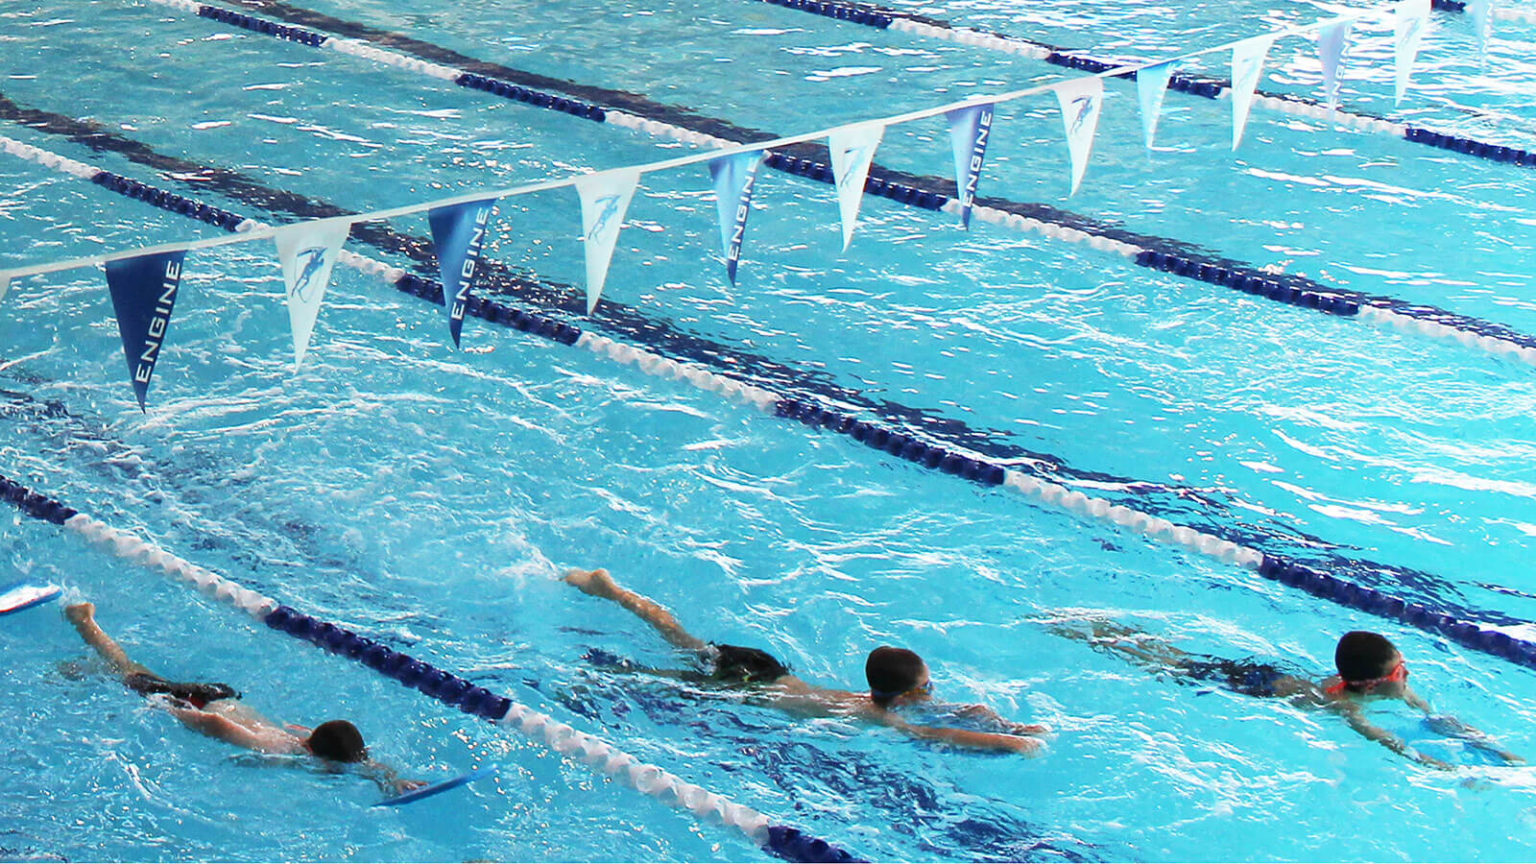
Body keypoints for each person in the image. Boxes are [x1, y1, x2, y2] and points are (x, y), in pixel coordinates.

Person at [562, 568, 1047, 755]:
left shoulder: (875, 700)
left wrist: (1009, 723)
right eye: (929, 687)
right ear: (906, 697)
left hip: (766, 667)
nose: (934, 693)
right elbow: (936, 735)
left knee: (682, 639)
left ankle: (615, 592)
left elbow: (953, 714)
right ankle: (598, 671)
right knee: (659, 677)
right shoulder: (880, 716)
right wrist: (1008, 743)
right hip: (747, 685)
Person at [1050, 618, 1521, 770]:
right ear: (1373, 683)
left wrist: (1497, 751)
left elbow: (1439, 719)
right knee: (1174, 664)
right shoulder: (1343, 703)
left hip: (1276, 675)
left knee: (1178, 659)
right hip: (1255, 687)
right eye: (1401, 669)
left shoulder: (1394, 686)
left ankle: (1110, 634)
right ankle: (1097, 635)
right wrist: (1429, 763)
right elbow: (1383, 738)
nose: (1408, 672)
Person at [65, 602, 421, 793]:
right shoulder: (277, 747)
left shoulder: (308, 743)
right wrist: (168, 709)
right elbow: (215, 724)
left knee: (142, 674)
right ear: (316, 754)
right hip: (202, 704)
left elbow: (361, 763)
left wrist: (391, 780)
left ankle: (87, 667)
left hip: (223, 696)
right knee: (126, 671)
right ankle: (83, 621)